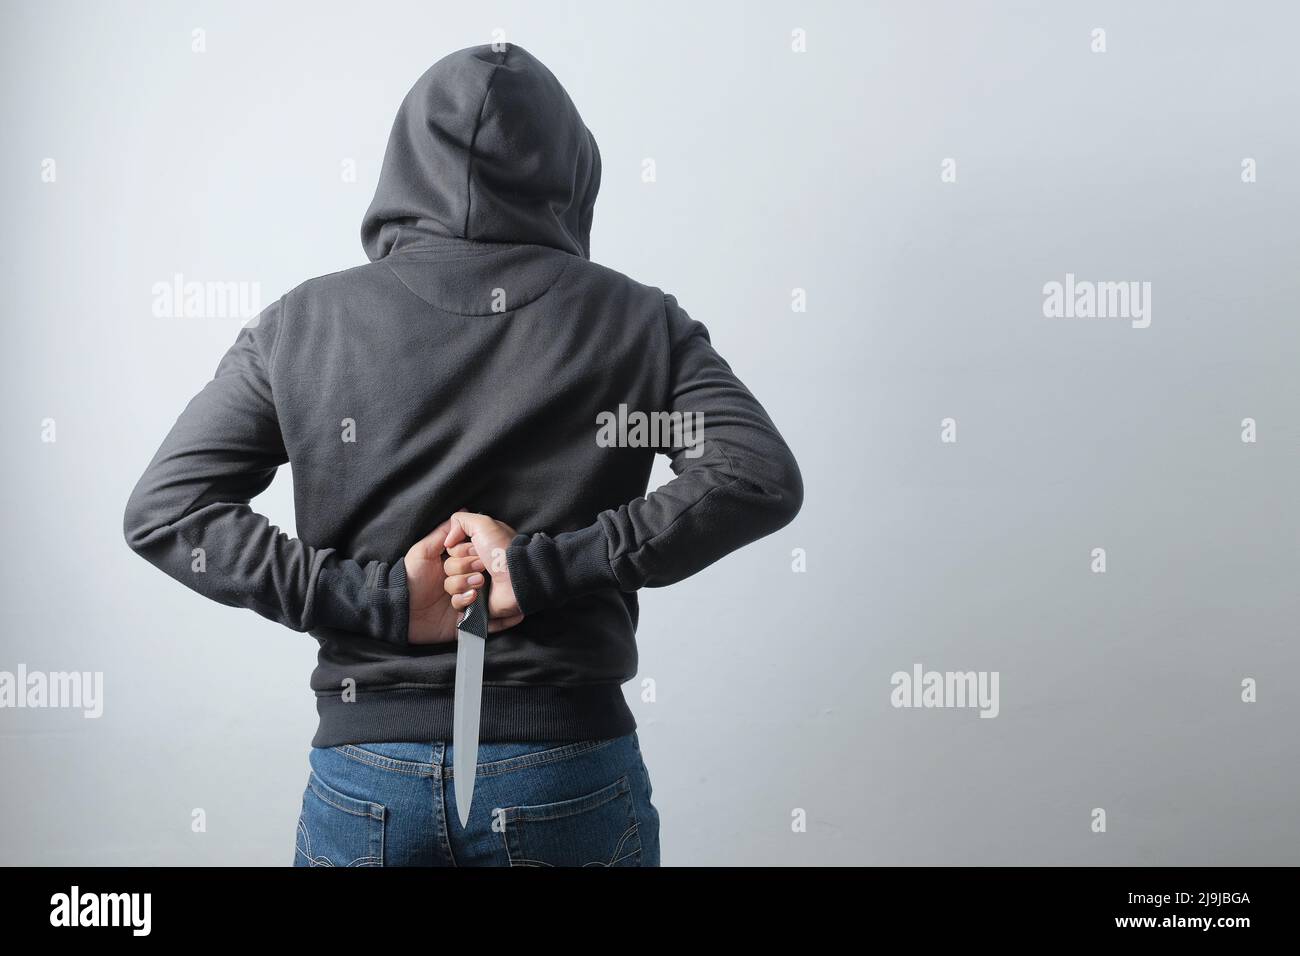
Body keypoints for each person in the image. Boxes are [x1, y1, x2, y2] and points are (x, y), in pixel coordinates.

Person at [123, 43, 802, 867]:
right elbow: (751, 474)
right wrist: (548, 571)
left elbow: (168, 511)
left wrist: (377, 603)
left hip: (367, 772)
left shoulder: (302, 324)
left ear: (403, 163)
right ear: (572, 171)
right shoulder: (636, 322)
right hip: (566, 770)